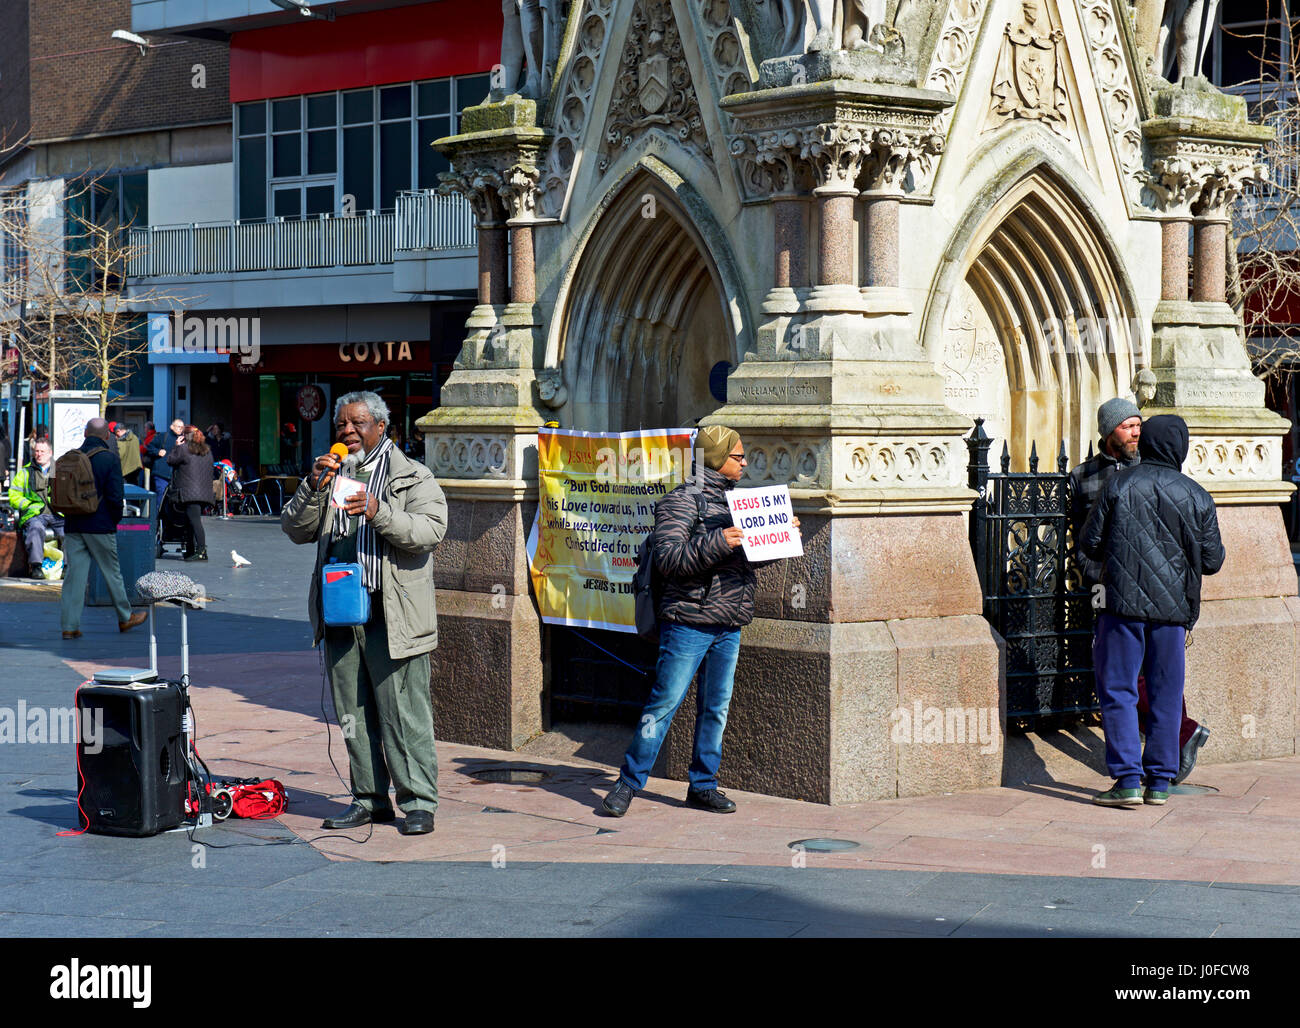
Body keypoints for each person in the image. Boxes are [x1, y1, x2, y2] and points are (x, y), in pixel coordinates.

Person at [603, 425, 801, 818]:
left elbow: (747, 559)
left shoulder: (737, 500)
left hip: (730, 622)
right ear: (714, 458)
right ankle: (627, 783)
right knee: (663, 705)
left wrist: (778, 538)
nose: (745, 462)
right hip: (688, 620)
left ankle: (703, 785)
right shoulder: (681, 500)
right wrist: (718, 541)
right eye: (737, 456)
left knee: (716, 708)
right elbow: (670, 560)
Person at [281, 390, 448, 836]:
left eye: (357, 424)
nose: (348, 432)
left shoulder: (412, 475)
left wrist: (378, 511)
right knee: (352, 711)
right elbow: (295, 529)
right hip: (341, 612)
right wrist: (312, 487)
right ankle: (369, 799)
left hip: (392, 612)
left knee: (402, 712)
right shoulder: (331, 475)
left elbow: (429, 532)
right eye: (341, 425)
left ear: (380, 427)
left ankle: (418, 802)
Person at [1081, 414, 1224, 808]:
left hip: (1121, 606)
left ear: (1148, 444)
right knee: (1166, 693)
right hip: (1174, 612)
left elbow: (1090, 542)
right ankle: (1159, 782)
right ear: (1180, 448)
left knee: (1119, 689)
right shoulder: (1197, 495)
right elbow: (1213, 560)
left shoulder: (1119, 483)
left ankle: (1127, 780)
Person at [59, 419, 148, 639]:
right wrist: (113, 520)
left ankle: (70, 626)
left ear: (85, 432)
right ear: (107, 436)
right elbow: (116, 497)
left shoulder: (68, 457)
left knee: (74, 576)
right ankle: (125, 617)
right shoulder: (109, 459)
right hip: (99, 525)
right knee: (112, 573)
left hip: (73, 524)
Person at [8, 437, 65, 578]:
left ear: (50, 453)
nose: (39, 454)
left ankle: (67, 568)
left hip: (57, 513)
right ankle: (36, 567)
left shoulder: (60, 471)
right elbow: (13, 495)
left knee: (69, 531)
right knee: (36, 529)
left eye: (42, 451)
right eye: (36, 451)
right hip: (35, 514)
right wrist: (28, 504)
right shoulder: (26, 472)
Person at [166, 425, 212, 561]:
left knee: (194, 521)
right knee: (190, 520)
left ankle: (202, 551)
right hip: (204, 492)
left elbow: (170, 460)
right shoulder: (207, 451)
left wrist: (176, 446)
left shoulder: (183, 449)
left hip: (189, 492)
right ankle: (191, 550)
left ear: (184, 436)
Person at [151, 418, 185, 511]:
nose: (180, 429)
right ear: (171, 427)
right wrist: (157, 451)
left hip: (176, 475)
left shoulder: (184, 439)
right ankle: (158, 519)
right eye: (178, 426)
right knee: (161, 497)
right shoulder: (163, 436)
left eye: (182, 427)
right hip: (162, 473)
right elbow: (150, 447)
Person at [112, 422, 144, 487]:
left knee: (126, 492)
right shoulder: (135, 437)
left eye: (116, 433)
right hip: (136, 468)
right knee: (134, 490)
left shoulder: (121, 441)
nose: (116, 436)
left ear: (119, 431)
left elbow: (120, 455)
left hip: (126, 471)